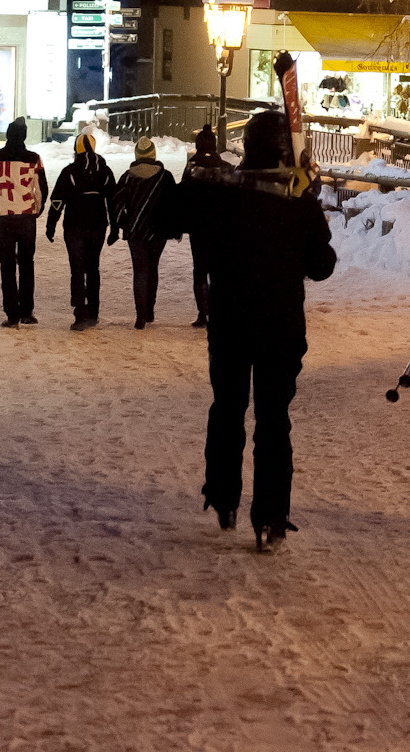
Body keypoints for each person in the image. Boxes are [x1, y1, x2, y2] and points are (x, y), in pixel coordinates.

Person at [187, 110, 334, 551]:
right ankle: (271, 517)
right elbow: (322, 266)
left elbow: (194, 235)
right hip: (280, 325)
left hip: (230, 320)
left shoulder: (224, 193)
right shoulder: (296, 199)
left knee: (227, 409)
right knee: (273, 420)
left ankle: (223, 497)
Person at [45, 130, 117, 331]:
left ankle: (79, 314)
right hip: (98, 226)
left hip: (74, 226)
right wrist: (115, 228)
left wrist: (51, 225)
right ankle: (93, 312)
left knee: (77, 269)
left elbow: (57, 200)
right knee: (93, 268)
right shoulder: (105, 171)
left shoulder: (69, 171)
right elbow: (113, 202)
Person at [0, 117, 46, 326]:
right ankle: (27, 311)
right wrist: (35, 211)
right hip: (26, 218)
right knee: (27, 264)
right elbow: (41, 189)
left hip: (3, 218)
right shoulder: (33, 159)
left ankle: (11, 314)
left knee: (7, 266)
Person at [111, 135, 180, 329]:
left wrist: (124, 223)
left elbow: (117, 203)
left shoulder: (128, 177)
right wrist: (174, 228)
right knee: (153, 267)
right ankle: (150, 310)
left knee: (140, 271)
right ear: (153, 154)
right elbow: (174, 205)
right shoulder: (165, 177)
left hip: (135, 232)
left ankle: (140, 316)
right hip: (159, 232)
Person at [178, 125, 240, 327]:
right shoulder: (225, 168)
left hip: (198, 227)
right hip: (221, 227)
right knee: (218, 269)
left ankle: (202, 313)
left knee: (200, 269)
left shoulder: (191, 169)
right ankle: (218, 311)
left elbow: (183, 198)